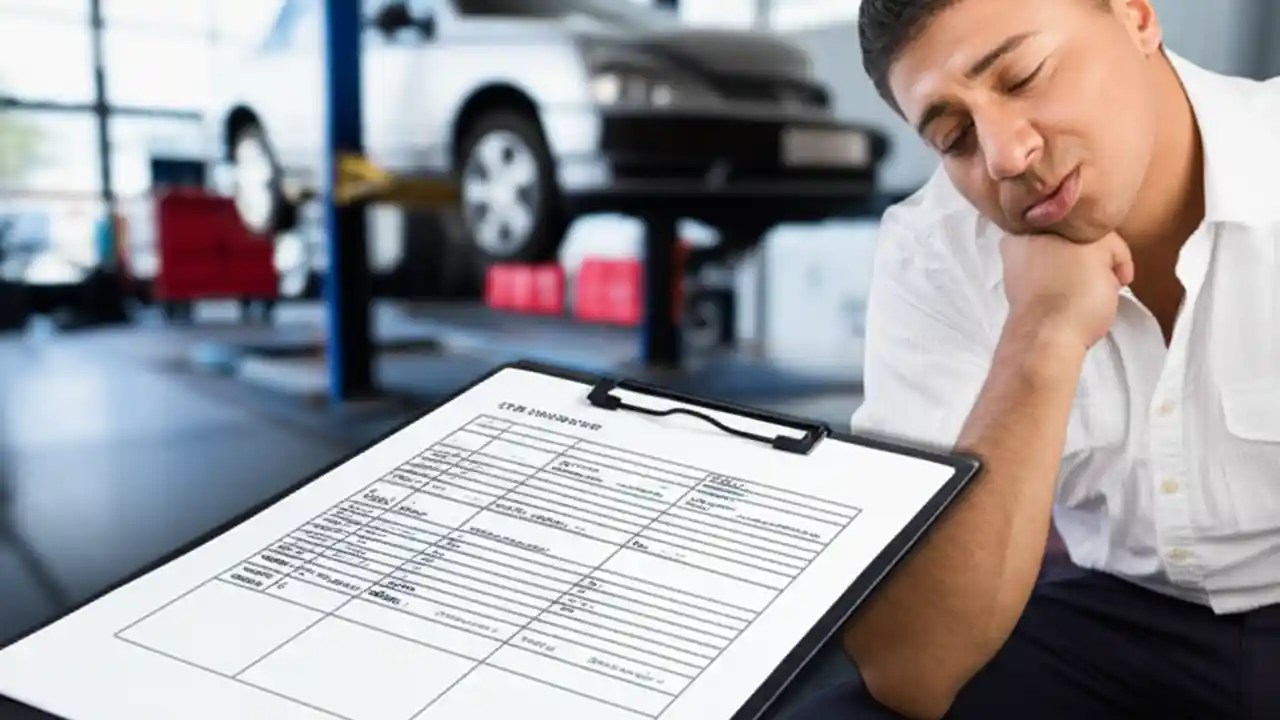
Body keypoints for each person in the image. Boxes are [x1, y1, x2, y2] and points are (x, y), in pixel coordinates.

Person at [789, 1, 1280, 718]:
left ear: (1136, 16)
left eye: (1023, 77)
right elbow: (911, 666)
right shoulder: (936, 250)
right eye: (955, 137)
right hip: (1119, 621)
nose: (1005, 156)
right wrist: (1042, 332)